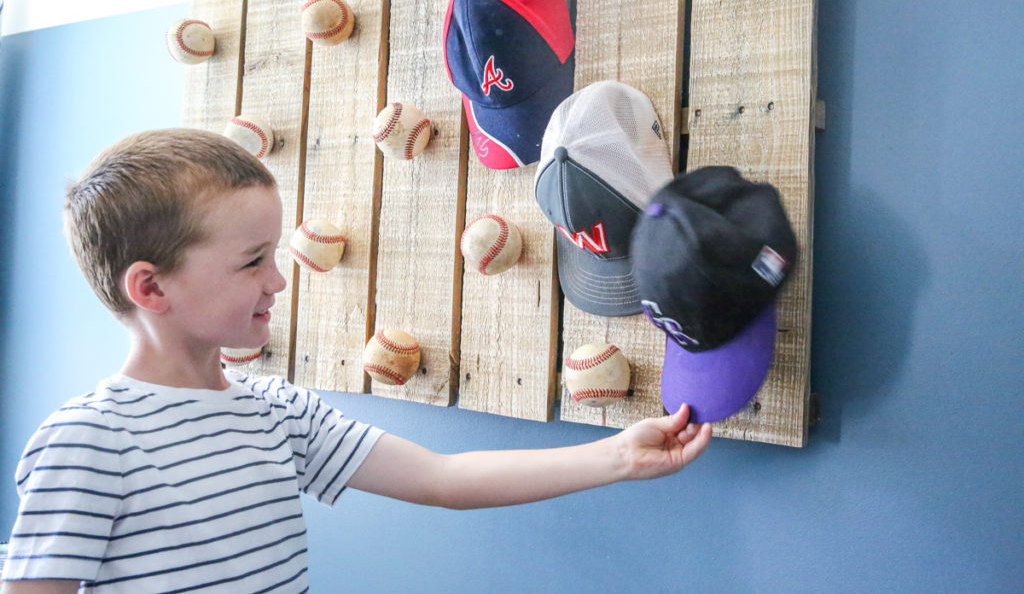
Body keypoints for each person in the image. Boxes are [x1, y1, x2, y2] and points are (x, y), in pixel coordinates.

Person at [1, 129, 712, 593]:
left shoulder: (275, 409)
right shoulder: (88, 442)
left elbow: (441, 478)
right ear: (151, 287)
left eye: (274, 255)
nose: (278, 280)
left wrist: (617, 456)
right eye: (252, 261)